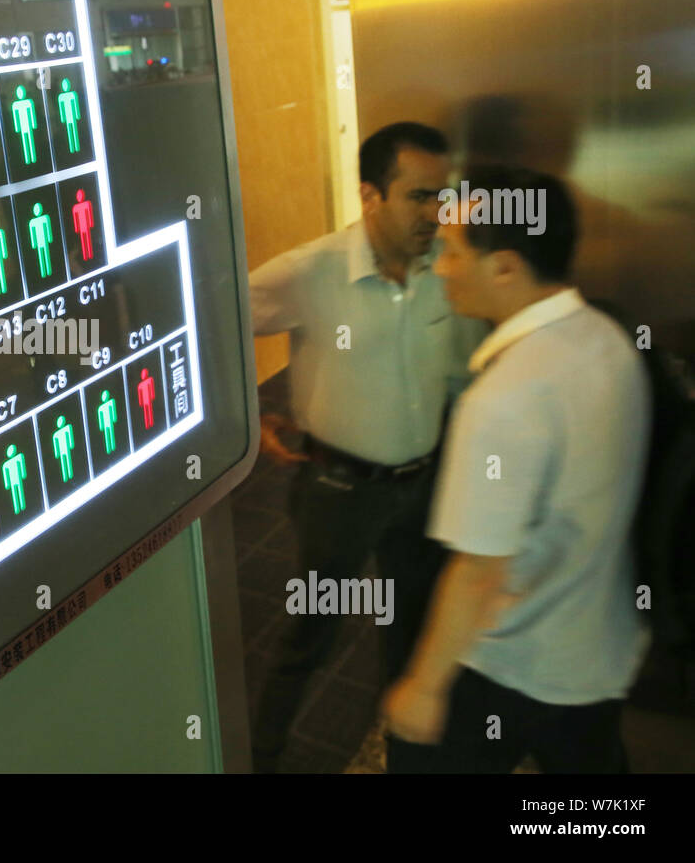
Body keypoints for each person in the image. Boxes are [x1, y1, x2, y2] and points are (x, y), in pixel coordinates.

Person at [383, 166, 650, 772]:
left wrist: (423, 687)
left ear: (504, 267)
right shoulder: (608, 337)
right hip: (598, 647)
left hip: (513, 661)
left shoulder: (504, 399)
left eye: (452, 251)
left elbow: (479, 572)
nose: (440, 266)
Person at [248, 122, 486, 772]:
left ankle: (404, 758)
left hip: (422, 488)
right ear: (370, 196)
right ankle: (261, 755)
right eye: (418, 197)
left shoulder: (448, 271)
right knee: (310, 637)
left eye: (442, 197)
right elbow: (218, 323)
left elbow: (466, 375)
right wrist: (246, 419)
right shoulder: (313, 270)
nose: (435, 214)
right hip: (338, 493)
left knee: (411, 632)